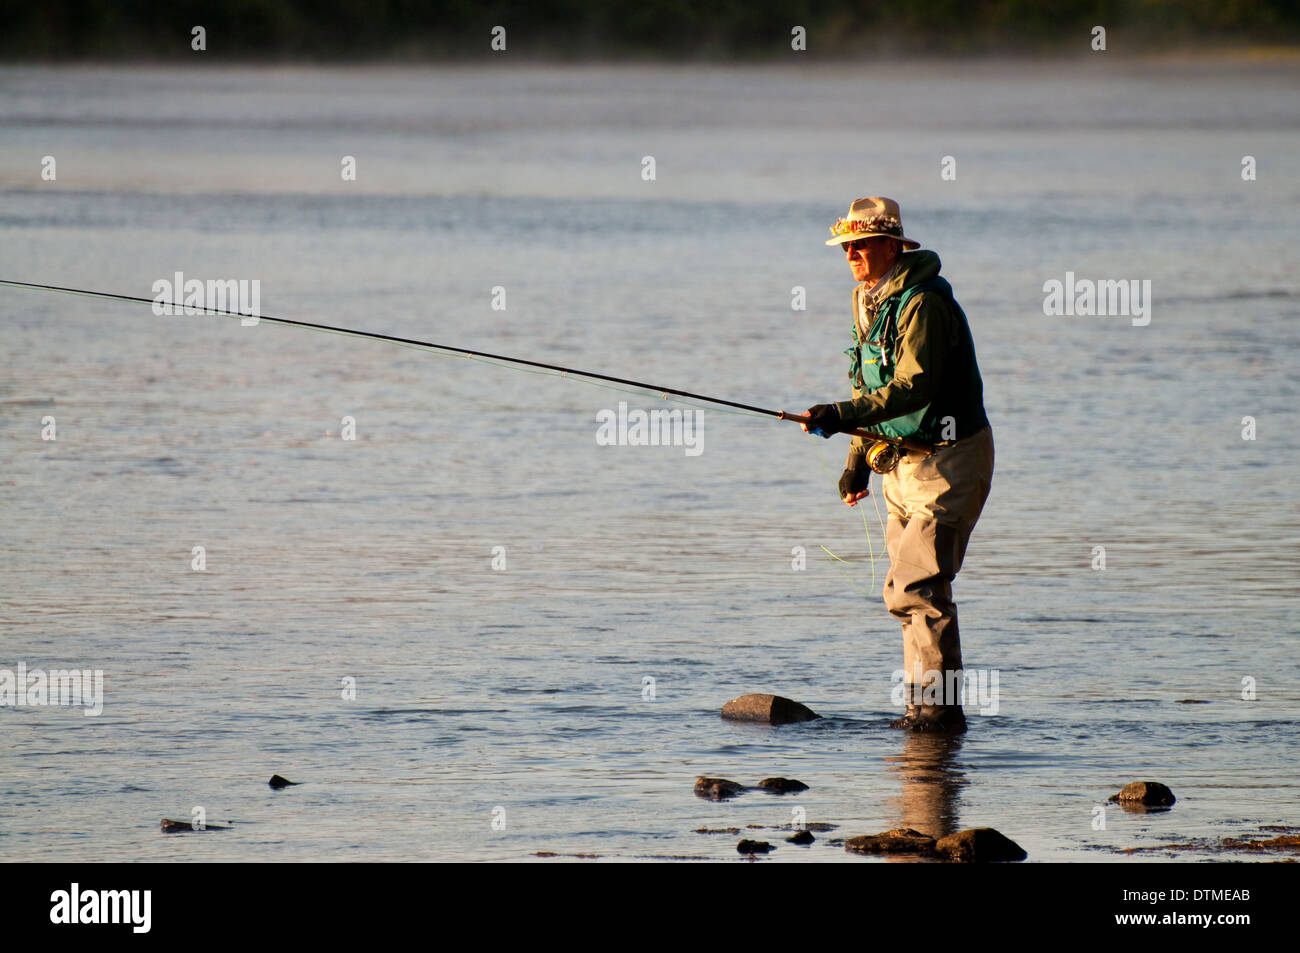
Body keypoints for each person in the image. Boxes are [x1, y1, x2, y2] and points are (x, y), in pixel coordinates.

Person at [801, 196, 993, 733]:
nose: (852, 255)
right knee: (906, 593)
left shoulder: (924, 304)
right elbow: (868, 386)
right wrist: (857, 459)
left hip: (949, 458)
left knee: (920, 588)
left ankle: (935, 715)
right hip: (900, 465)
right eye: (846, 247)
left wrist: (839, 414)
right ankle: (927, 710)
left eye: (861, 245)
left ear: (893, 245)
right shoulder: (868, 300)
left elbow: (915, 385)